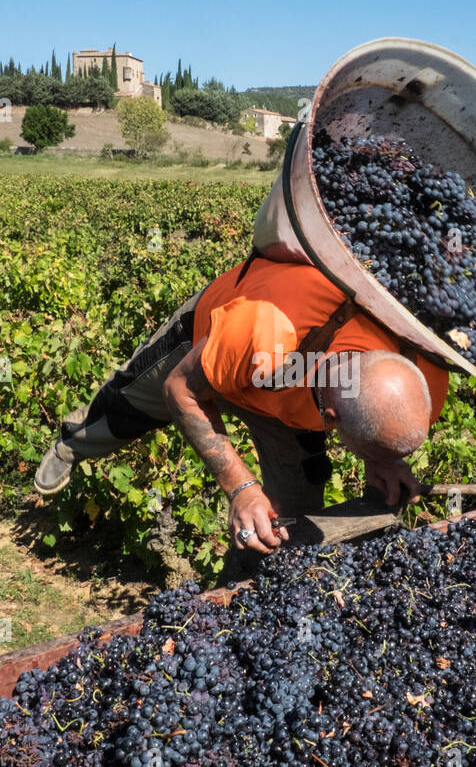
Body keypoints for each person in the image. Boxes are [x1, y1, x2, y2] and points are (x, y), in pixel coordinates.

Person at [34, 187, 450, 558]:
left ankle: (247, 589)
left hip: (284, 406)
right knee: (129, 402)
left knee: (286, 524)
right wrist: (240, 485)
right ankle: (72, 444)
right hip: (211, 348)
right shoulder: (262, 328)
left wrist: (386, 461)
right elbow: (181, 390)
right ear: (331, 420)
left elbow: (380, 419)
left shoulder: (422, 375)